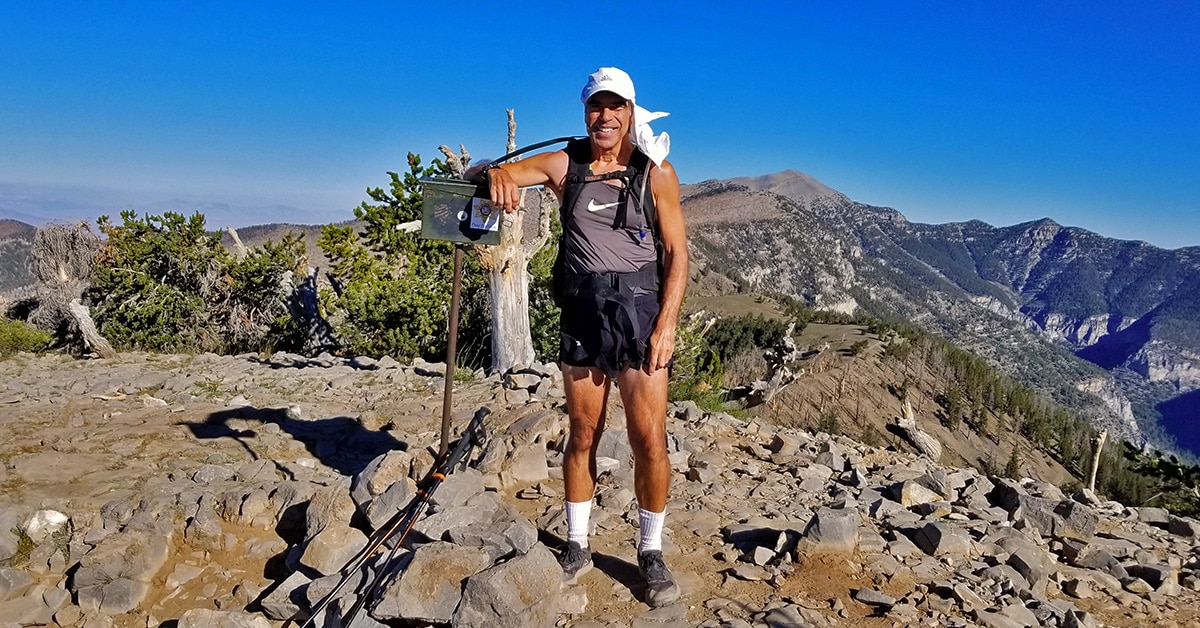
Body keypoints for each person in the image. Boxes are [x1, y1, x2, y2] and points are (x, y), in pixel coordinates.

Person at [482, 67, 687, 607]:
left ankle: (650, 550)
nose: (606, 116)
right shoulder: (564, 165)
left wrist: (666, 325)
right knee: (582, 432)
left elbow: (679, 254)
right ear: (585, 111)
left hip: (641, 313)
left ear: (630, 112)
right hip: (582, 310)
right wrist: (492, 174)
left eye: (616, 106)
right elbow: (496, 173)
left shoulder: (656, 173)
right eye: (597, 106)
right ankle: (577, 544)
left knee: (649, 440)